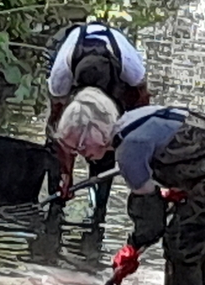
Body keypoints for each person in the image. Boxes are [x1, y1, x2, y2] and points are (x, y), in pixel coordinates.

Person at [53, 88, 205, 285]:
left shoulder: (128, 152)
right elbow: (184, 155)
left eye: (81, 145)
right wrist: (179, 190)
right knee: (200, 245)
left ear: (96, 129)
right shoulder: (134, 120)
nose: (83, 155)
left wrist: (132, 247)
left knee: (180, 246)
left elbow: (152, 221)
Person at [44, 22, 150, 222]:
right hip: (69, 58)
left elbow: (141, 112)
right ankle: (55, 204)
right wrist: (66, 171)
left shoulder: (131, 69)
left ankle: (98, 211)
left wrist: (124, 149)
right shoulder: (61, 76)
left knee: (106, 154)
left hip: (117, 80)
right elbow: (56, 122)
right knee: (55, 147)